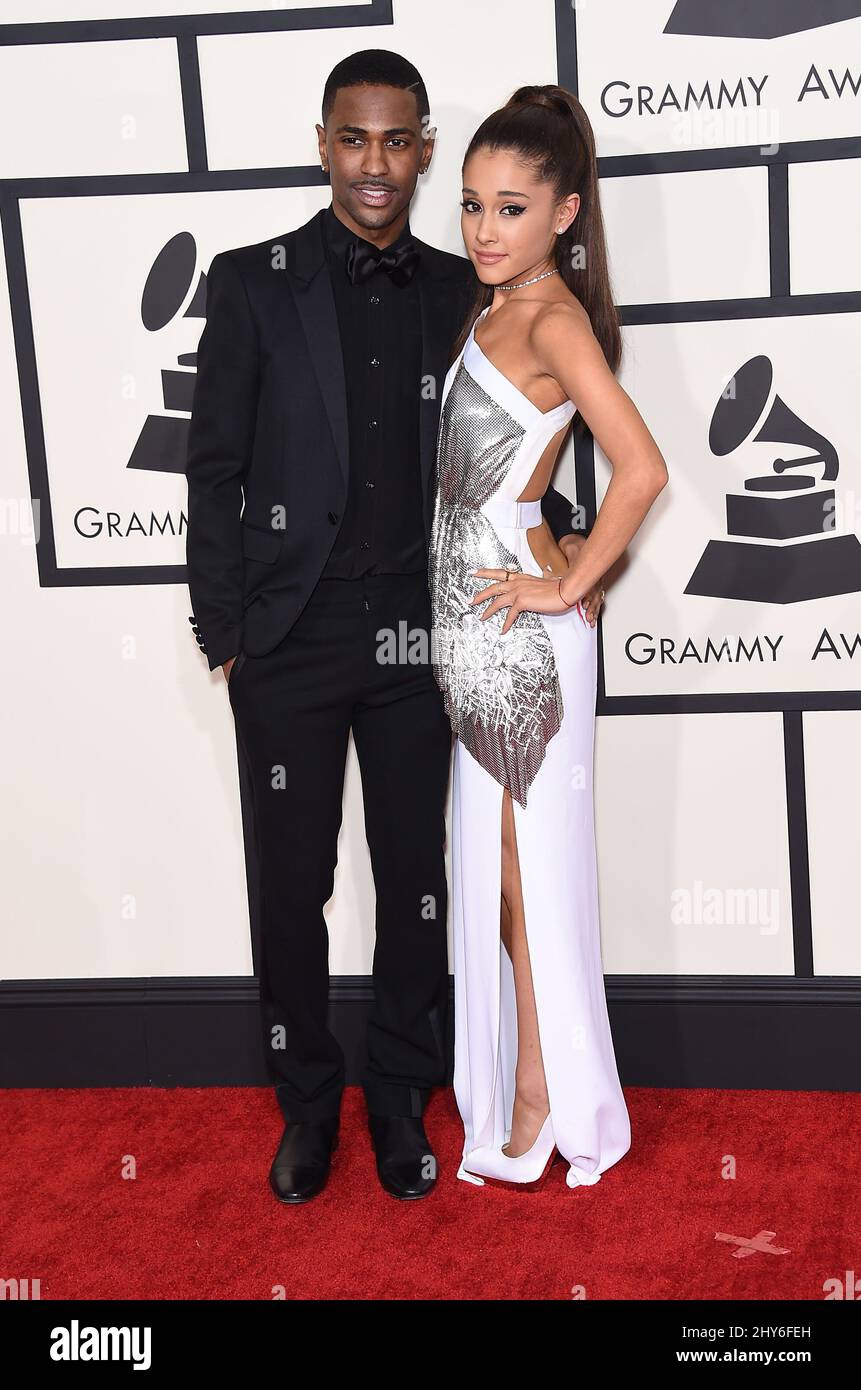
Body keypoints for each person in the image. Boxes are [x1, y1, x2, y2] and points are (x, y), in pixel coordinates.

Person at [184, 51, 579, 1204]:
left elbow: (506, 440)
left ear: (421, 150)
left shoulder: (468, 288)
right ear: (324, 144)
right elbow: (212, 471)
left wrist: (561, 541)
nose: (376, 163)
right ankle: (308, 1108)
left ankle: (401, 1097)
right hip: (290, 640)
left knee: (419, 877)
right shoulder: (253, 284)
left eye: (398, 141)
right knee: (290, 884)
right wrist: (226, 629)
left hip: (426, 639)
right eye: (354, 139)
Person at [429, 84, 669, 1190]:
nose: (484, 228)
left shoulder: (552, 318)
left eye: (511, 207)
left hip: (522, 644)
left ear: (565, 213)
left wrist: (567, 582)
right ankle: (526, 1080)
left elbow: (644, 467)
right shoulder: (490, 311)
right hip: (471, 637)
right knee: (503, 877)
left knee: (528, 876)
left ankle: (543, 1092)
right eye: (473, 204)